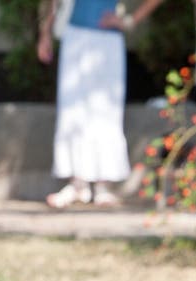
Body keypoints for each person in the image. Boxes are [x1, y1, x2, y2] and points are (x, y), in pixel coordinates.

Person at [37, 0, 164, 208]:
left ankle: (103, 186)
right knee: (72, 109)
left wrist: (130, 21)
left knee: (106, 111)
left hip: (107, 42)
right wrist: (45, 33)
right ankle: (77, 184)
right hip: (75, 36)